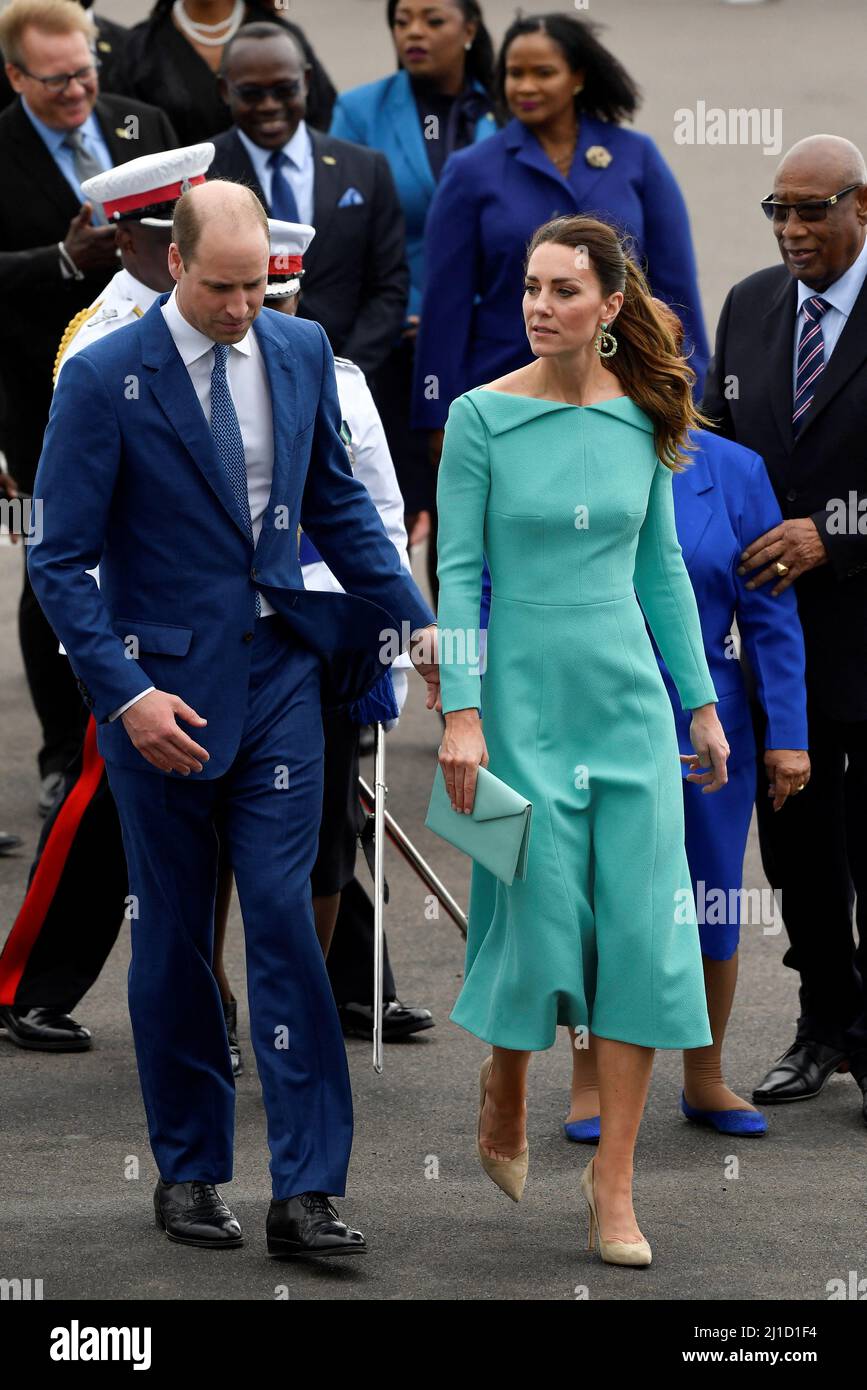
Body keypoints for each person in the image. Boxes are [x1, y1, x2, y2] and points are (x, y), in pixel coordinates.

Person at [28, 178, 439, 1256]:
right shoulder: (104, 376)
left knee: (288, 921)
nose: (242, 307)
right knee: (170, 942)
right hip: (158, 701)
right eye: (221, 287)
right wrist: (126, 692)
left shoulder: (300, 357)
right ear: (175, 264)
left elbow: (339, 505)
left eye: (259, 286)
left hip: (277, 680)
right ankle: (190, 1171)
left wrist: (417, 623)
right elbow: (59, 559)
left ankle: (306, 1190)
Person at [435, 214, 729, 1266]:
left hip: (629, 704)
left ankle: (614, 1184)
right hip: (519, 702)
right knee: (543, 916)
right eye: (531, 287)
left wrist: (698, 701)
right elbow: (457, 574)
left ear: (610, 309)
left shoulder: (645, 413)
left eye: (564, 290)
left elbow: (659, 571)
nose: (540, 305)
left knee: (644, 942)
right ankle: (507, 1075)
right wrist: (461, 711)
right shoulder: (479, 418)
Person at [562, 302, 810, 1144]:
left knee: (708, 896)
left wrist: (786, 736)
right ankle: (589, 1078)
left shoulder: (735, 470)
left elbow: (771, 616)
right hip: (590, 709)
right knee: (599, 901)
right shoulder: (566, 454)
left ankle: (703, 1075)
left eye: (657, 355)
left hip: (707, 721)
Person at [0, 143, 215, 1054]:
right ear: (131, 236)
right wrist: (101, 645)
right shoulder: (106, 338)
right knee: (100, 800)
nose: (189, 253)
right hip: (127, 609)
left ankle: (335, 983)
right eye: (177, 236)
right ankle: (27, 982)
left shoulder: (185, 317)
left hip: (203, 604)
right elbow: (81, 506)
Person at [213, 219, 434, 1072]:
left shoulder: (336, 384)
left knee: (322, 844)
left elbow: (375, 516)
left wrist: (385, 643)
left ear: (297, 296)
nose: (255, 313)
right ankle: (217, 1002)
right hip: (216, 643)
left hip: (321, 640)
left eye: (273, 296)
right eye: (238, 294)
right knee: (208, 849)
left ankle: (297, 1014)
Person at [702, 135, 867, 1126]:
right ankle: (823, 1022)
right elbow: (721, 445)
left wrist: (836, 536)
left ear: (864, 207)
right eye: (779, 211)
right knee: (797, 846)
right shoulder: (751, 305)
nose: (793, 230)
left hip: (863, 626)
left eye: (814, 210)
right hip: (774, 643)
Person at [0, 0, 177, 813]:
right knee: (53, 571)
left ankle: (155, 718)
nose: (78, 91)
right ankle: (63, 752)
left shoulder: (144, 124)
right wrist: (61, 260)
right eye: (56, 79)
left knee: (153, 552)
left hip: (159, 388)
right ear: (14, 75)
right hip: (32, 405)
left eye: (86, 72)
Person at [412, 11, 709, 451]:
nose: (526, 87)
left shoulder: (636, 156)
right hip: (507, 396)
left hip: (627, 393)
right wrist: (438, 418)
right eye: (515, 74)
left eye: (543, 73)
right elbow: (445, 307)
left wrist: (691, 386)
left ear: (578, 78)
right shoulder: (471, 170)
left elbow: (675, 286)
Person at [330, 0, 497, 577]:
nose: (414, 33)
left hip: (490, 344)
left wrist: (462, 314)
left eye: (433, 20)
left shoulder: (505, 109)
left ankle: (475, 657)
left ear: (470, 29)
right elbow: (347, 233)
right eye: (402, 21)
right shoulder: (358, 110)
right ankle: (401, 650)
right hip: (395, 346)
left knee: (477, 522)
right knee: (390, 512)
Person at [208, 23, 408, 378]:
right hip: (243, 378)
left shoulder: (364, 168)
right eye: (251, 94)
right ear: (225, 90)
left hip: (354, 375)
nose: (269, 106)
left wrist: (345, 372)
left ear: (307, 81)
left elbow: (388, 287)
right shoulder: (204, 177)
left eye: (285, 90)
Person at [118, 0, 335, 148]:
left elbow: (322, 118)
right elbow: (131, 135)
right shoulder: (140, 49)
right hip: (182, 203)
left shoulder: (282, 38)